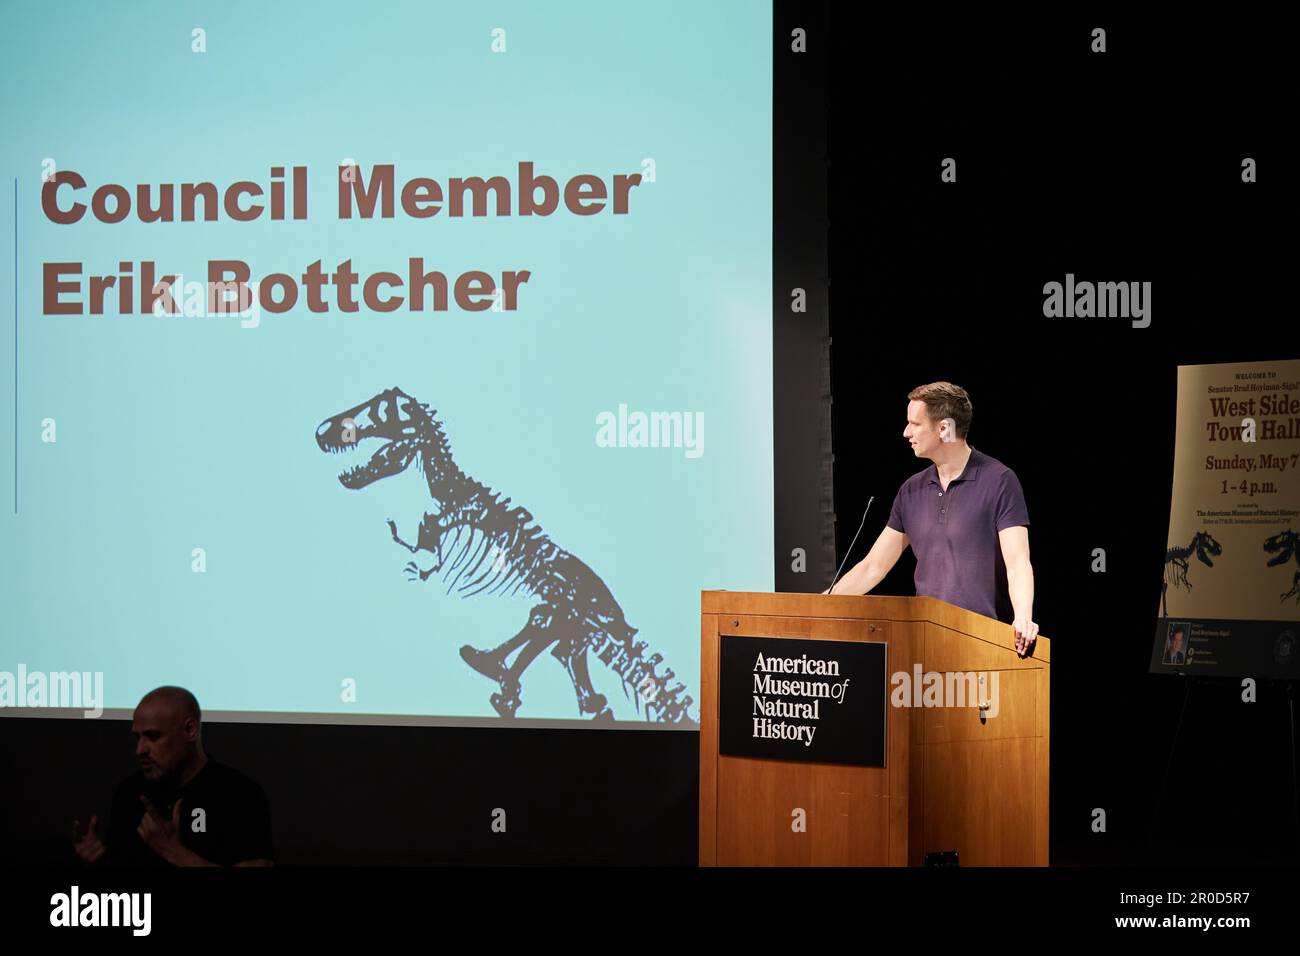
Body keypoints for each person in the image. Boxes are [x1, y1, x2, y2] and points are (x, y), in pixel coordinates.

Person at [828, 381, 1039, 657]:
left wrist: (1023, 617)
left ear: (944, 429)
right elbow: (873, 567)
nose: (906, 433)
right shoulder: (911, 490)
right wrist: (824, 605)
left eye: (915, 424)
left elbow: (1018, 562)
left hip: (982, 643)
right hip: (926, 645)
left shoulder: (999, 481)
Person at [70, 686, 273, 866]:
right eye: (137, 738)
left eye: (153, 736)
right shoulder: (130, 793)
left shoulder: (241, 795)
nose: (140, 750)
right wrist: (98, 859)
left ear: (190, 730)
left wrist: (176, 854)